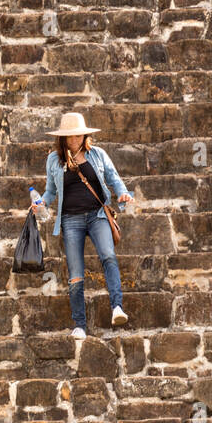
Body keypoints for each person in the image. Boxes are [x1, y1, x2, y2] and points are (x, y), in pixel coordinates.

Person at [38, 112, 134, 340]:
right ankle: (79, 324)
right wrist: (41, 202)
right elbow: (51, 190)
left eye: (77, 136)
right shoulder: (54, 159)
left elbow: (113, 178)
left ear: (84, 135)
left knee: (109, 256)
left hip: (98, 215)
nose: (74, 140)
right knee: (76, 274)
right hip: (71, 219)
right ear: (62, 138)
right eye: (69, 137)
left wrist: (122, 194)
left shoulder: (97, 154)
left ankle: (117, 307)